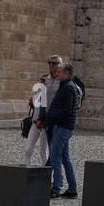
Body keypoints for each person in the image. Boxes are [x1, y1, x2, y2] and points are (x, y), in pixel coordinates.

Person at [44, 63, 79, 198]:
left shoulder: (68, 88)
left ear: (66, 73)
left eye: (59, 72)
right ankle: (72, 189)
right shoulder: (65, 86)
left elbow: (66, 110)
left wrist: (54, 121)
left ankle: (56, 188)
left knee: (55, 157)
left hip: (63, 127)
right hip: (63, 126)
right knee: (65, 157)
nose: (56, 73)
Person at [24, 75, 48, 168]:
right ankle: (27, 168)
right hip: (34, 125)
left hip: (43, 126)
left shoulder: (48, 95)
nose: (41, 83)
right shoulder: (38, 93)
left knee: (43, 152)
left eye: (43, 81)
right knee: (28, 149)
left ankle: (47, 174)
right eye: (40, 81)